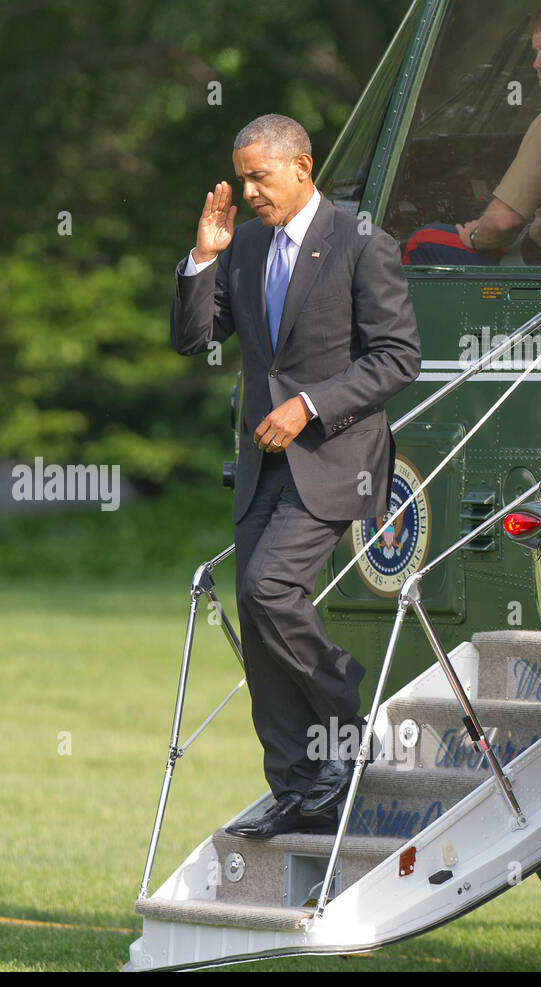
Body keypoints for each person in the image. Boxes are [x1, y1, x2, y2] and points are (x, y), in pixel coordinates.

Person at [171, 114, 421, 839]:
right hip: (260, 467)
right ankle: (299, 786)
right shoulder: (243, 244)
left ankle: (351, 719)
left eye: (260, 176)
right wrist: (202, 256)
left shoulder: (362, 243)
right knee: (258, 620)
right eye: (241, 177)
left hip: (337, 458)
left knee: (267, 587)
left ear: (302, 168)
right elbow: (195, 338)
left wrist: (308, 406)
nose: (248, 191)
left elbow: (396, 357)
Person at [404, 1, 541, 264]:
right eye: (536, 52)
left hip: (540, 262)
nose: (537, 64)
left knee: (422, 241)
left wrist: (475, 235)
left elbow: (502, 223)